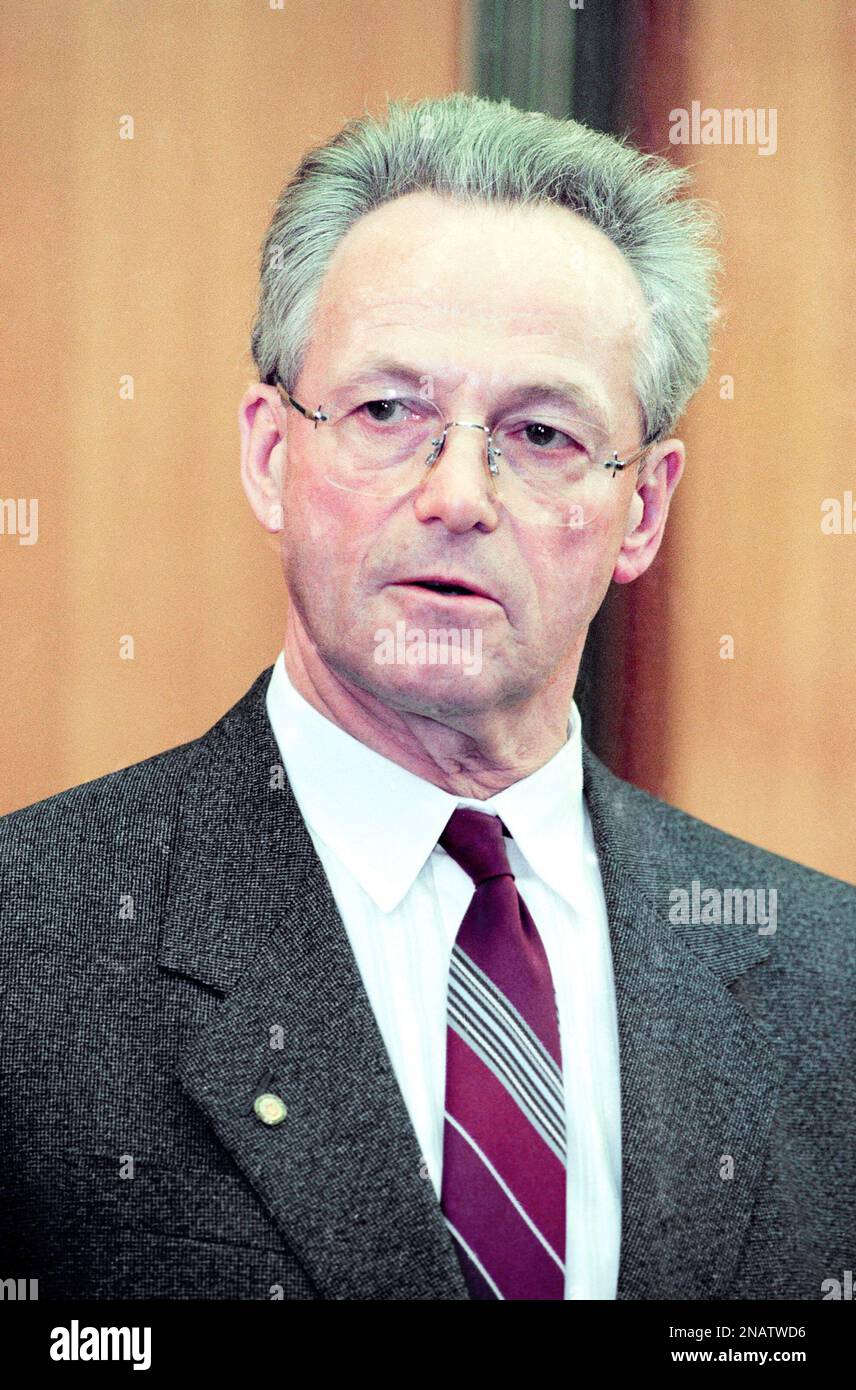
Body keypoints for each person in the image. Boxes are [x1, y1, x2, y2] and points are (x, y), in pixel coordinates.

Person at [1, 92, 852, 1302]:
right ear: (269, 454)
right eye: (387, 410)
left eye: (544, 431)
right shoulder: (26, 949)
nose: (458, 492)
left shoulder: (829, 980)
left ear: (643, 508)